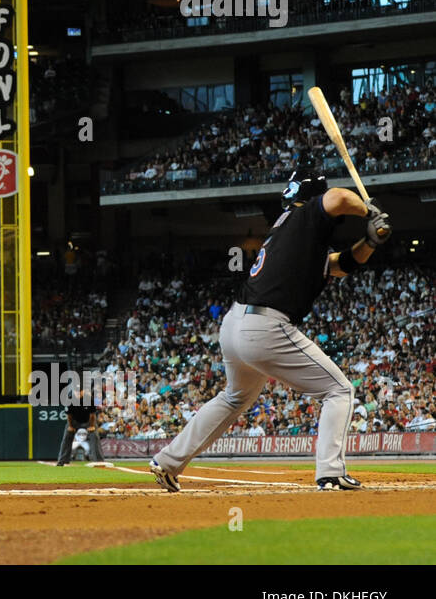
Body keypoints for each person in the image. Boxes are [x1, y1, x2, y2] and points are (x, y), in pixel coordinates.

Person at [151, 167, 391, 492]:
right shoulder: (307, 217)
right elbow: (338, 198)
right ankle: (330, 472)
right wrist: (368, 209)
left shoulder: (290, 231)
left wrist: (372, 240)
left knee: (234, 397)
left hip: (236, 324)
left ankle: (167, 461)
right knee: (339, 391)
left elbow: (341, 265)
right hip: (265, 327)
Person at [56, 388, 105, 465]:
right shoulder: (70, 398)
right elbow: (69, 415)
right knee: (67, 436)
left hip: (88, 421)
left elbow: (92, 415)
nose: (78, 393)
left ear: (84, 391)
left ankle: (99, 461)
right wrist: (71, 426)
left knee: (94, 435)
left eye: (80, 391)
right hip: (74, 421)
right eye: (76, 391)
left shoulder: (89, 398)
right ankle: (62, 460)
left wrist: (92, 426)